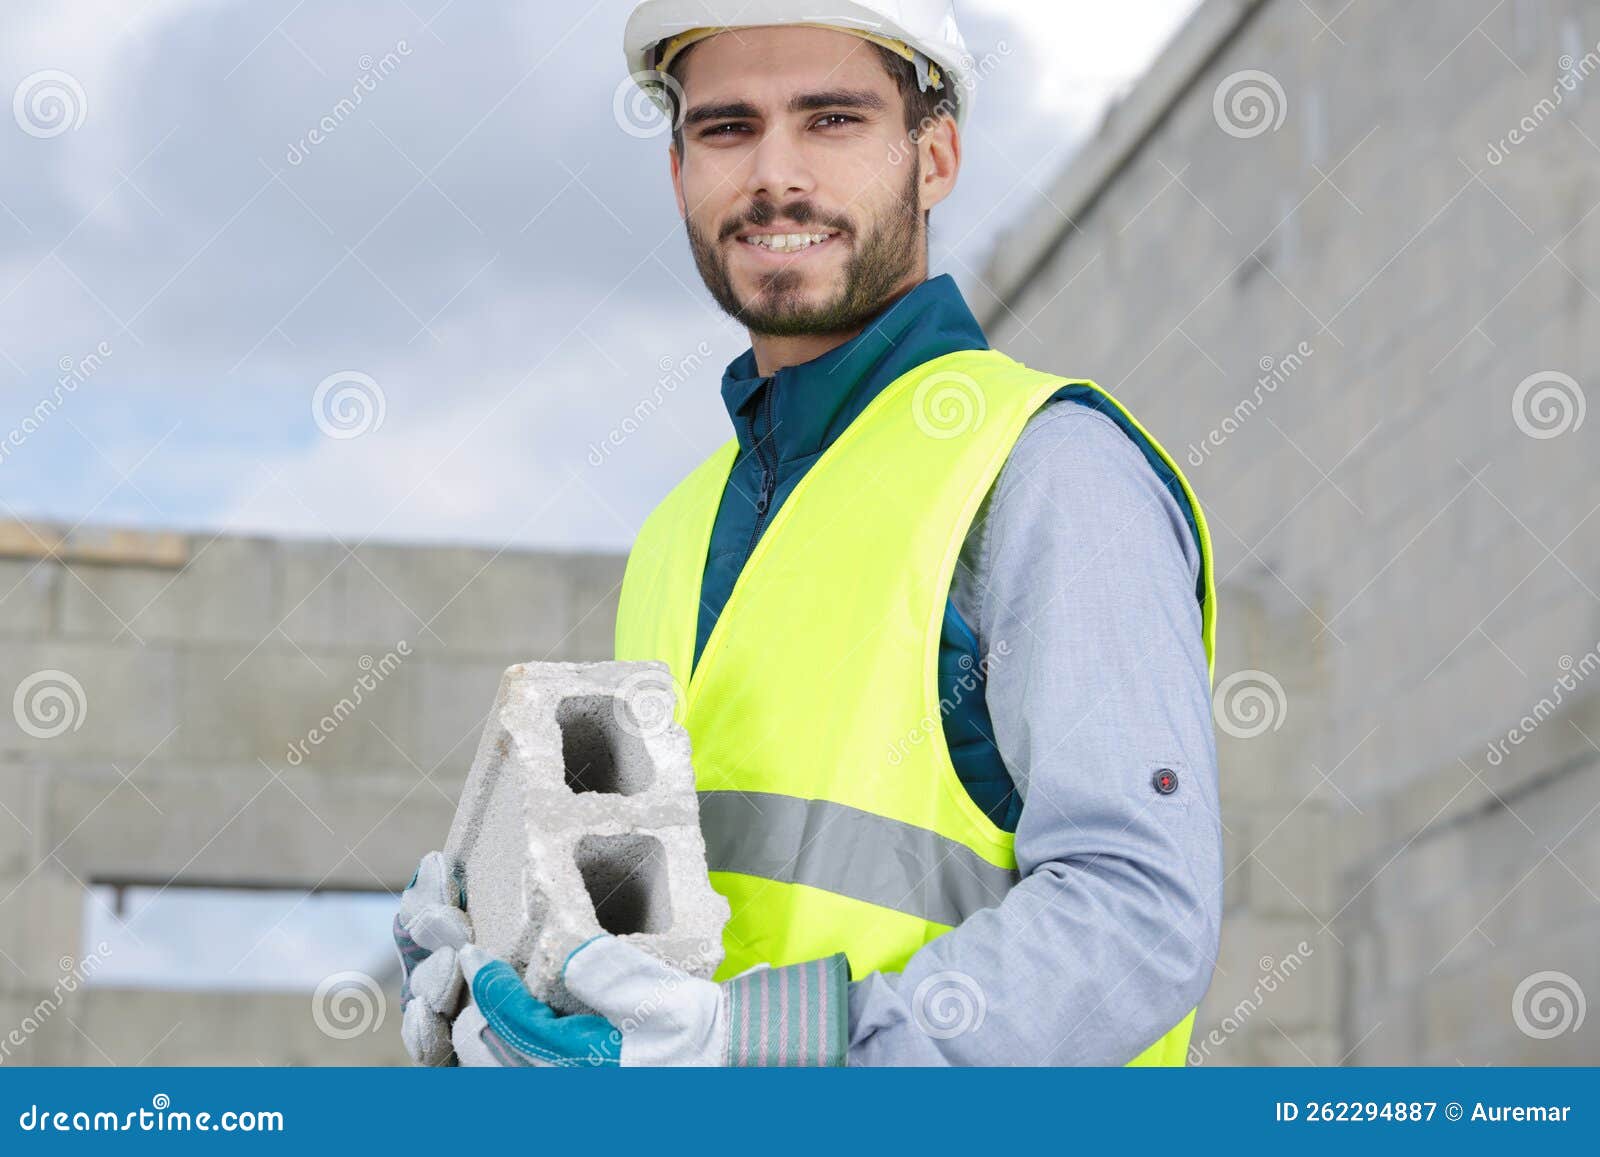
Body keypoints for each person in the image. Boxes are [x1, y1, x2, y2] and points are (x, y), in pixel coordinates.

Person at [394, 0, 1222, 1067]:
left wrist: (770, 1050)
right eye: (727, 128)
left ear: (935, 156)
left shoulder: (1045, 469)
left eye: (831, 119)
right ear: (678, 168)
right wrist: (516, 970)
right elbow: (667, 961)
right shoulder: (675, 531)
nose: (774, 175)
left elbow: (1138, 915)